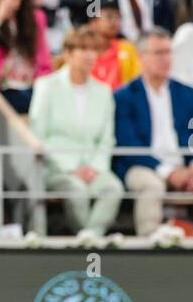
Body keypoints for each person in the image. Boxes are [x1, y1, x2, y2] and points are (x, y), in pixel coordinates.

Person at [113, 29, 193, 235]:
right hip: (144, 166)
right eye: (158, 53)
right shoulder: (124, 96)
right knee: (151, 187)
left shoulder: (186, 93)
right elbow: (129, 146)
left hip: (185, 167)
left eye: (168, 52)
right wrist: (169, 173)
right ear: (141, 57)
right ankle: (151, 242)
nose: (166, 59)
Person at [29, 27, 123, 236]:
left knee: (113, 188)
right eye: (83, 49)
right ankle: (89, 243)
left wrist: (95, 168)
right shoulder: (46, 87)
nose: (90, 55)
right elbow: (38, 136)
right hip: (56, 169)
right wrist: (70, 169)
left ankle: (89, 238)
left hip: (93, 168)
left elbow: (107, 140)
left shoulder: (104, 92)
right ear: (68, 54)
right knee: (76, 189)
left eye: (94, 50)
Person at [90, 2, 140, 89]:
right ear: (93, 22)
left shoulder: (128, 48)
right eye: (109, 17)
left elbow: (137, 79)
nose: (115, 21)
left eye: (118, 17)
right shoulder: (82, 50)